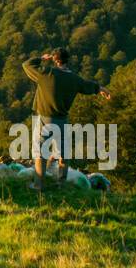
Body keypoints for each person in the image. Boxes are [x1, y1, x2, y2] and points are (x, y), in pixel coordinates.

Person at [22, 47, 110, 192]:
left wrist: (42, 59)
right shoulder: (74, 79)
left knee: (40, 153)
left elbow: (27, 65)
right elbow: (88, 86)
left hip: (45, 119)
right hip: (62, 120)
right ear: (67, 60)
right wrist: (101, 88)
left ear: (55, 60)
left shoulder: (47, 73)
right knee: (63, 154)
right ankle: (61, 185)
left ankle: (38, 186)